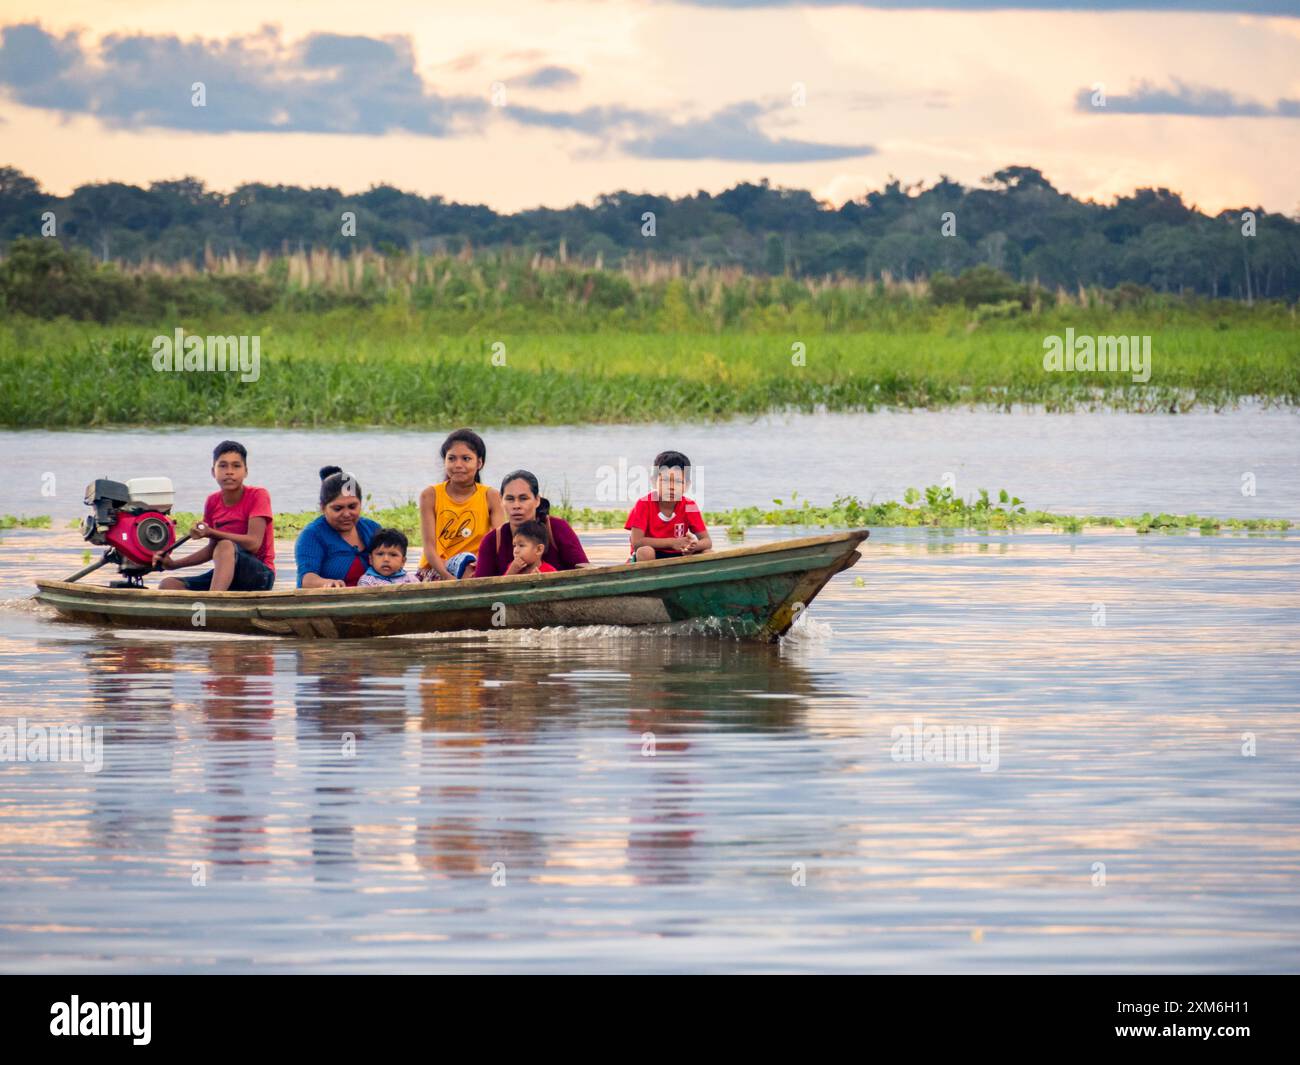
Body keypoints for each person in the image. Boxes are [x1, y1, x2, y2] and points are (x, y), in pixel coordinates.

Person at [154, 440, 276, 591]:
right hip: (227, 573)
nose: (229, 471)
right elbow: (212, 549)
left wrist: (211, 532)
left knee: (224, 544)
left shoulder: (258, 495)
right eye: (223, 465)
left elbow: (254, 543)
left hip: (260, 574)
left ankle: (213, 603)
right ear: (213, 471)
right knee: (169, 585)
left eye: (236, 466)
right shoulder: (212, 501)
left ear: (246, 471)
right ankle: (211, 601)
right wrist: (174, 564)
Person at [416, 429, 506, 581]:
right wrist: (449, 578)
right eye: (451, 459)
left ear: (479, 463)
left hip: (475, 568)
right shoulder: (430, 495)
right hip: (437, 569)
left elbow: (499, 543)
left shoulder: (491, 496)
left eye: (466, 459)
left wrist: (480, 568)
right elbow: (429, 549)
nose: (458, 465)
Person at [473, 470, 589, 577]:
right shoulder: (492, 541)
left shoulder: (557, 528)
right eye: (510, 499)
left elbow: (585, 572)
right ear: (501, 501)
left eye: (523, 498)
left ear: (537, 500)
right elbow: (479, 588)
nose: (516, 506)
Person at [295, 467, 381, 588]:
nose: (346, 514)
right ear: (323, 507)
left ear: (360, 503)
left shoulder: (372, 529)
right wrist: (327, 583)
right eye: (338, 508)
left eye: (352, 506)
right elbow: (306, 579)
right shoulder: (312, 535)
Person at [625, 450, 712, 563]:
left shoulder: (690, 506)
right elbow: (636, 542)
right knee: (645, 551)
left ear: (687, 485)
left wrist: (693, 546)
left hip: (679, 554)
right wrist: (671, 542)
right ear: (653, 481)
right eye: (665, 480)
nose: (671, 487)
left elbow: (707, 541)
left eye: (678, 481)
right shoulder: (643, 504)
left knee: (708, 553)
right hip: (651, 555)